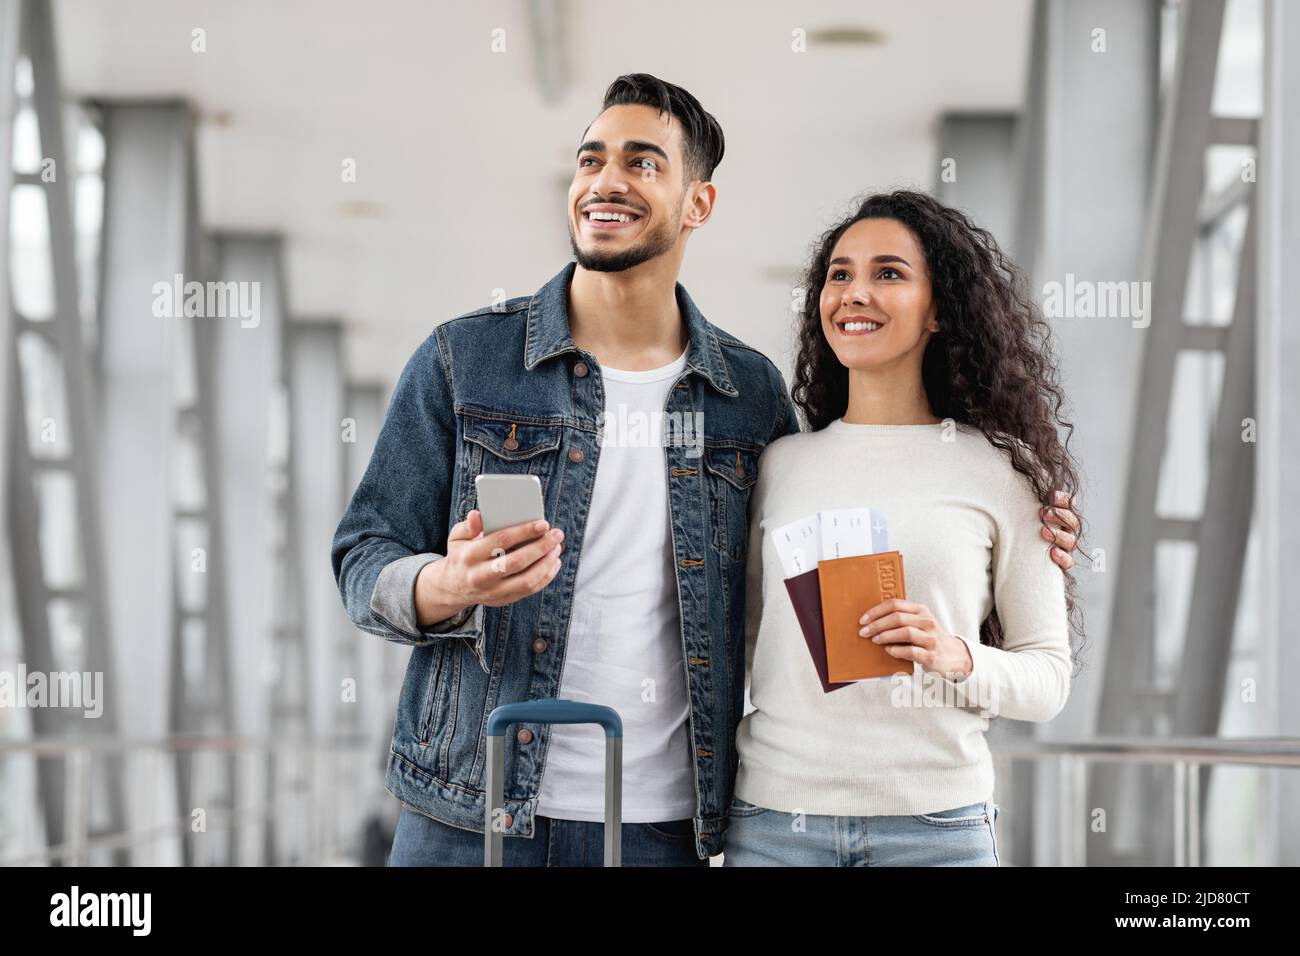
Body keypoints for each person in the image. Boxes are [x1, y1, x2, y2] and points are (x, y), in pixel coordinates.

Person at [331, 75, 1080, 866]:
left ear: (699, 204)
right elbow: (363, 554)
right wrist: (445, 587)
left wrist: (1026, 541)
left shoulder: (748, 399)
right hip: (471, 810)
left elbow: (839, 535)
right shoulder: (466, 360)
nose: (605, 181)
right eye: (591, 160)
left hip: (662, 827)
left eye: (642, 162)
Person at [724, 190, 1086, 867]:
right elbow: (740, 649)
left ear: (940, 310)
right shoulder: (780, 465)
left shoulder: (1006, 472)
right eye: (840, 274)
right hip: (776, 824)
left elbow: (1047, 680)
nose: (855, 293)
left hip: (936, 830)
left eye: (888, 273)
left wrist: (956, 655)